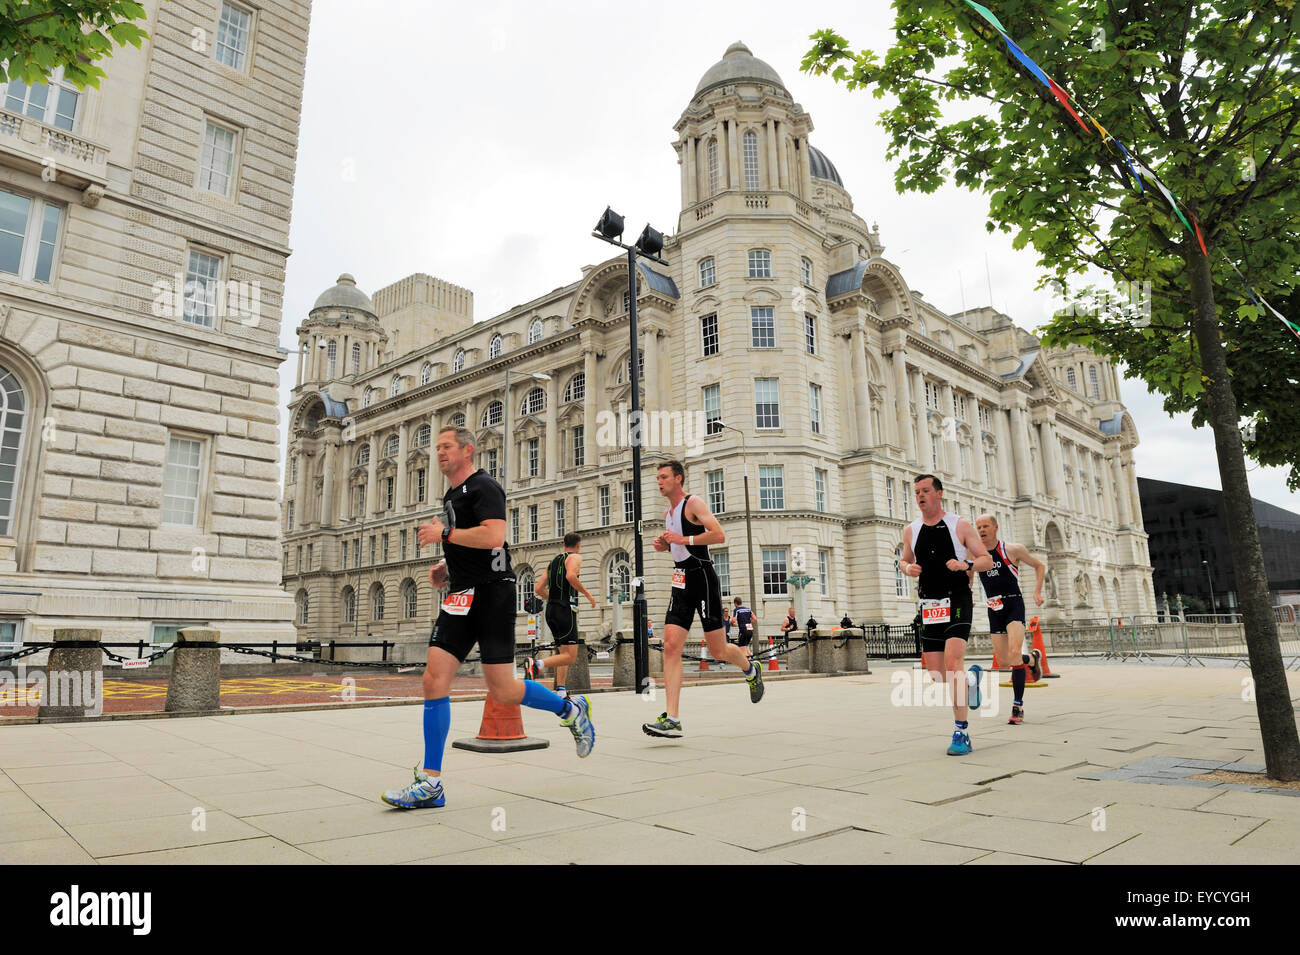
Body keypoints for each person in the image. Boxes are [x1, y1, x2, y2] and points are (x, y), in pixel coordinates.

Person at [380, 427, 595, 809]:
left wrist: (444, 533)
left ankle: (570, 709)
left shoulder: (485, 486)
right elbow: (471, 543)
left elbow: (494, 537)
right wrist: (445, 566)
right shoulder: (451, 494)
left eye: (446, 447)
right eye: (437, 448)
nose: (439, 453)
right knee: (434, 679)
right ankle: (431, 783)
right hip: (460, 595)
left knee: (504, 690)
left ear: (467, 450)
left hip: (493, 595)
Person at [643, 460, 764, 738]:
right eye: (657, 478)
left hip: (703, 578)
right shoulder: (668, 513)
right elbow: (677, 546)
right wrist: (665, 545)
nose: (659, 482)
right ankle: (672, 719)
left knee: (719, 650)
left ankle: (750, 668)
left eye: (663, 477)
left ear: (678, 478)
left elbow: (718, 534)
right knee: (671, 646)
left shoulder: (693, 503)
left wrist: (682, 539)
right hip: (681, 580)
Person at [899, 474, 993, 756]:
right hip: (930, 604)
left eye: (925, 490)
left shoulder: (959, 524)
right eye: (916, 492)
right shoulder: (911, 530)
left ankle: (961, 731)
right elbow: (904, 559)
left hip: (958, 599)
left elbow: (986, 560)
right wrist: (907, 569)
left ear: (939, 494)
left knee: (954, 665)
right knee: (938, 675)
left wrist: (965, 564)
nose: (920, 496)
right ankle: (972, 682)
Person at [974, 514, 1046, 724]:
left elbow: (1039, 566)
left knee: (1015, 653)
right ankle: (1032, 659)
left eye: (985, 526)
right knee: (1005, 661)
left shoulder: (1012, 549)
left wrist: (1037, 592)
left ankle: (1017, 707)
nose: (981, 530)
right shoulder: (975, 553)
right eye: (978, 527)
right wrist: (968, 591)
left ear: (995, 527)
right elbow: (968, 571)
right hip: (993, 607)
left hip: (1013, 603)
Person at [526, 532, 597, 696]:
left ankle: (561, 690)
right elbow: (571, 576)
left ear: (564, 543)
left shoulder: (552, 562)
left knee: (563, 652)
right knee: (571, 656)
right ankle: (536, 664)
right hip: (565, 610)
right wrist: (587, 594)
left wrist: (554, 598)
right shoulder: (575, 557)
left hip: (551, 610)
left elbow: (538, 589)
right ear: (578, 545)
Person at [732, 596, 758, 663]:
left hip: (743, 630)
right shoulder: (748, 609)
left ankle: (747, 664)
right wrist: (748, 621)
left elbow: (734, 620)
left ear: (735, 603)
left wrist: (730, 621)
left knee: (741, 646)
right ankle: (751, 659)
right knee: (745, 646)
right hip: (750, 630)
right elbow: (755, 619)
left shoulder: (737, 610)